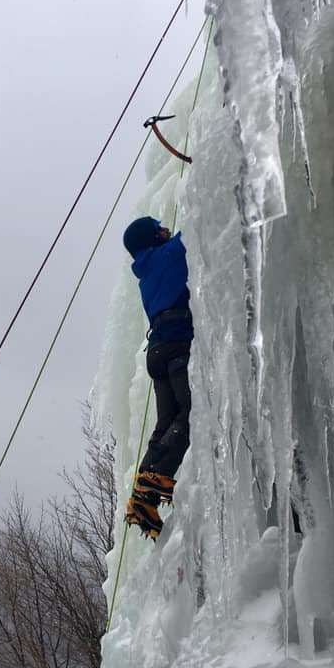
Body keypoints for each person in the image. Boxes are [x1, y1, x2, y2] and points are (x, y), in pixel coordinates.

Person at [122, 216, 193, 540]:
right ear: (153, 237)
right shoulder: (169, 253)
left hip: (158, 352)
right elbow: (195, 227)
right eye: (159, 228)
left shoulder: (145, 270)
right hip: (178, 344)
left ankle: (142, 496)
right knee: (191, 411)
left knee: (166, 423)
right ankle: (157, 476)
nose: (166, 229)